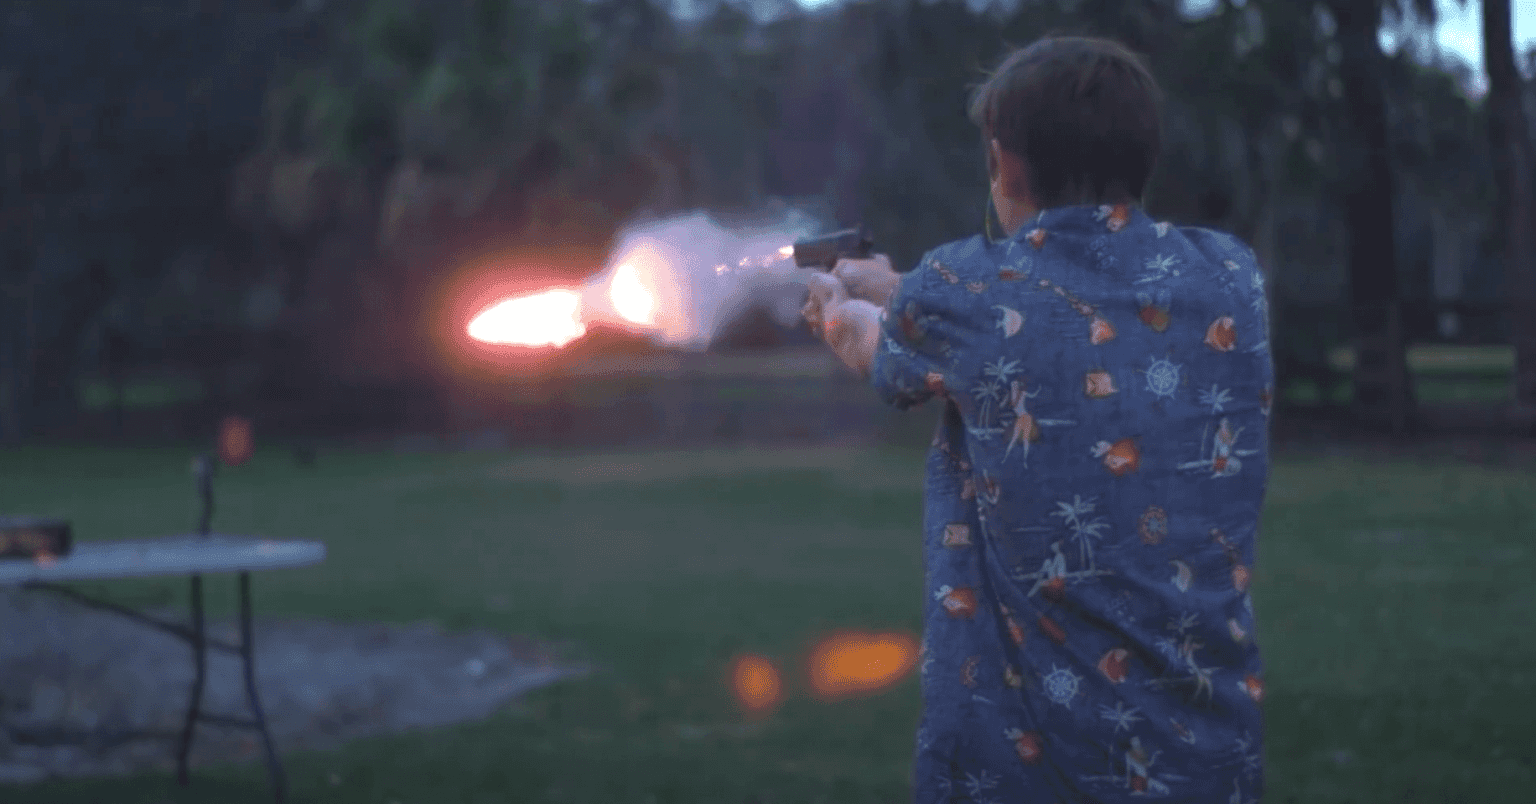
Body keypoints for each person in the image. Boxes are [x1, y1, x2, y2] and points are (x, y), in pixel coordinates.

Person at [801, 36, 1271, 803]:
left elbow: (879, 346)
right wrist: (898, 284)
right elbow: (1029, 309)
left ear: (1002, 162)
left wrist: (835, 305)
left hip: (1023, 762)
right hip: (1203, 759)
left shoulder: (963, 287)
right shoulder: (1228, 275)